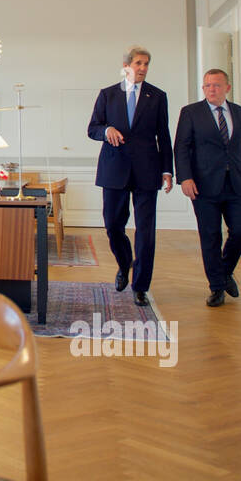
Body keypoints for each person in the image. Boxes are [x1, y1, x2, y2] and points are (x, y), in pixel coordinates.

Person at [87, 46, 173, 307]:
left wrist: (167, 170)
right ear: (126, 66)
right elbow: (92, 129)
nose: (143, 68)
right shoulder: (108, 95)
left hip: (148, 171)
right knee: (113, 225)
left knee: (146, 232)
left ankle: (140, 286)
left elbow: (164, 136)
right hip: (114, 169)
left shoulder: (157, 96)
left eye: (146, 64)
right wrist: (107, 130)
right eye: (138, 63)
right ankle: (125, 265)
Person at [173, 69, 241, 307]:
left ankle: (225, 271)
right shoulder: (191, 113)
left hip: (236, 183)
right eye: (206, 86)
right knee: (210, 236)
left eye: (216, 85)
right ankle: (216, 287)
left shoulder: (239, 112)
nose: (211, 89)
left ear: (227, 87)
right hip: (203, 186)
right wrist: (185, 178)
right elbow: (181, 147)